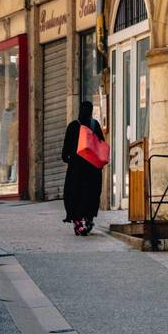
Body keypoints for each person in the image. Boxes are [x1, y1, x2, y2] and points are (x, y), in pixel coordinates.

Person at [62, 100, 105, 236]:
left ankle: (77, 222)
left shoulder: (73, 126)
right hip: (92, 169)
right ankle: (89, 218)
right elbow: (101, 144)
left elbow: (65, 150)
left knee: (74, 193)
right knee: (91, 193)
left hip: (76, 169)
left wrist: (68, 158)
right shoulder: (95, 125)